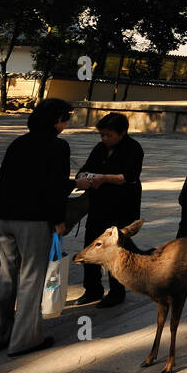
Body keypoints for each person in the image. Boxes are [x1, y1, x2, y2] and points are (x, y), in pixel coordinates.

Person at [0, 98, 72, 358]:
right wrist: (58, 219)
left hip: (3, 218)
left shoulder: (18, 143)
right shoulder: (57, 146)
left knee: (2, 278)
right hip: (33, 221)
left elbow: (2, 180)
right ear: (56, 120)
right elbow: (55, 186)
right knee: (31, 280)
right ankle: (24, 340)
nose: (65, 124)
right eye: (65, 119)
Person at [71, 112, 144, 308]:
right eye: (102, 135)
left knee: (116, 252)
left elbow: (127, 176)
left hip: (122, 206)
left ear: (122, 133)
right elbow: (86, 168)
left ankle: (117, 291)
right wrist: (84, 176)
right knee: (91, 246)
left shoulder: (133, 149)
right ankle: (92, 289)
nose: (104, 139)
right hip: (98, 205)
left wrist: (103, 178)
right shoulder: (100, 148)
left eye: (108, 135)